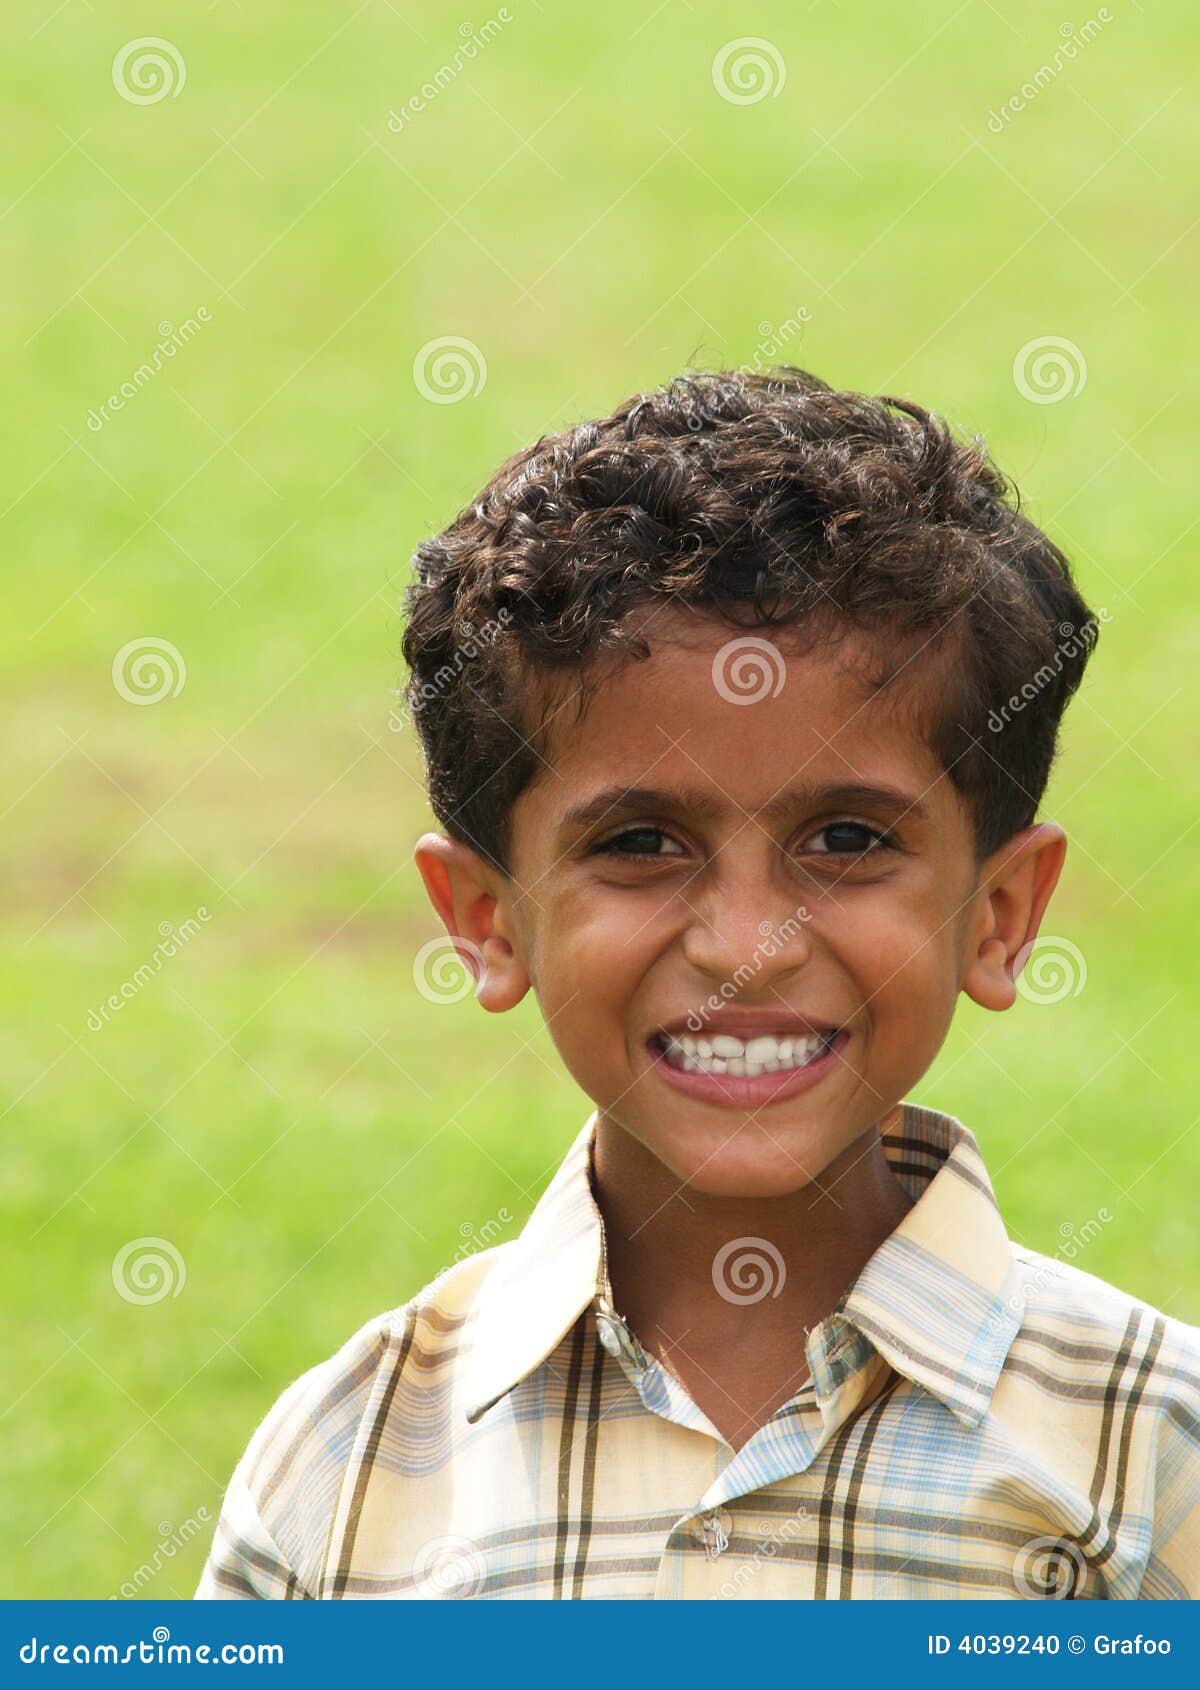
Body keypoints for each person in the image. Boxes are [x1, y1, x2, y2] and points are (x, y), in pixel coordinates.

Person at [196, 367, 1199, 1600]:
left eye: (845, 840)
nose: (746, 947)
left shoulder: (1154, 1460)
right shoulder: (347, 1473)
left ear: (996, 916)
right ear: (486, 920)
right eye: (640, 844)